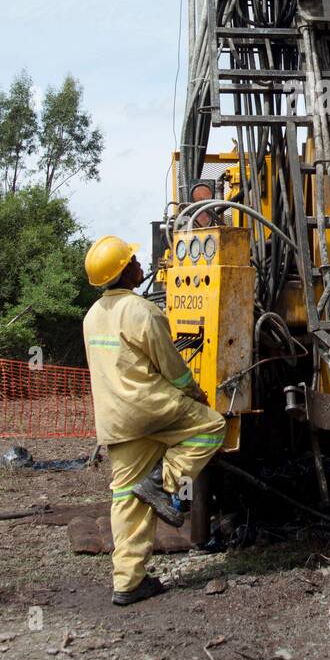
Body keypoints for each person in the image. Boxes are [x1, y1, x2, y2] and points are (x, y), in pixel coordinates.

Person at [82, 234, 225, 606]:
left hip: (115, 420)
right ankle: (163, 483)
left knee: (125, 496)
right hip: (150, 409)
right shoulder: (143, 311)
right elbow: (172, 367)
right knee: (210, 427)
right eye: (133, 260)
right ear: (124, 271)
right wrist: (194, 393)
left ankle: (128, 582)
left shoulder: (92, 316)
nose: (141, 263)